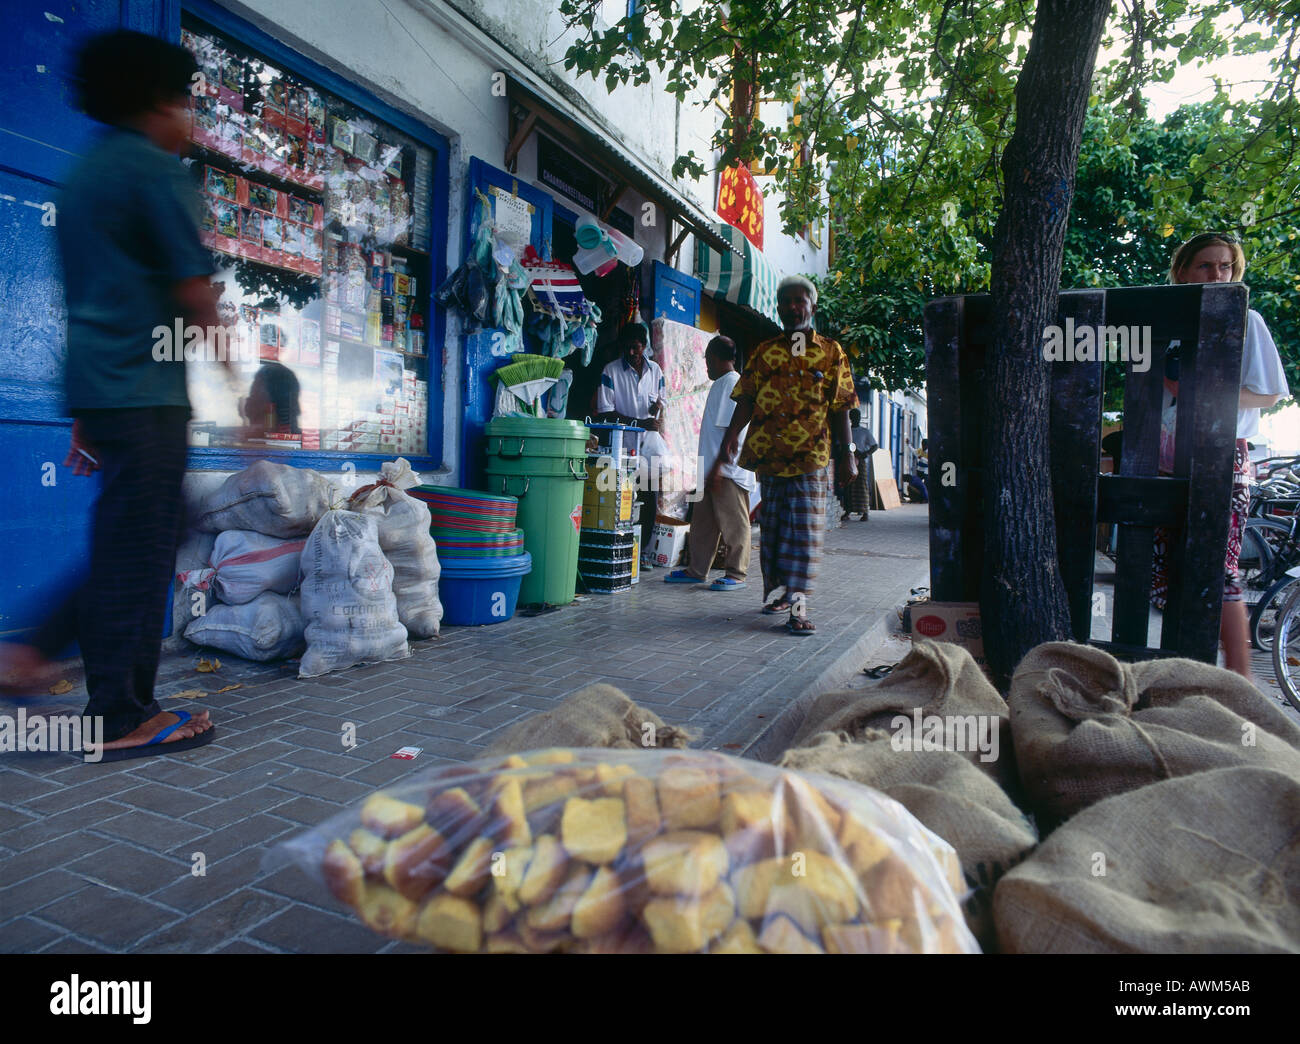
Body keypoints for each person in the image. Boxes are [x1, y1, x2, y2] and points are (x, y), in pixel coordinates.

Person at [0, 30, 224, 758]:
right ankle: (116, 712)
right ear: (158, 104)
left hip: (104, 392)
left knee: (135, 535)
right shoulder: (151, 170)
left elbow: (92, 300)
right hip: (147, 391)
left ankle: (52, 661)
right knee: (143, 544)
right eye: (187, 102)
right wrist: (243, 386)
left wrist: (82, 419)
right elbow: (193, 290)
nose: (191, 119)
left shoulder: (87, 172)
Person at [1154, 231, 1289, 681]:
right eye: (1206, 265)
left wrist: (1203, 394)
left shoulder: (1245, 320)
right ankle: (1182, 672)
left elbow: (1268, 394)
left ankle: (1240, 678)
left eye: (1226, 265)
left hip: (1222, 456)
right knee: (1165, 569)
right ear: (1182, 272)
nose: (1218, 274)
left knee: (1219, 566)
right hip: (1164, 459)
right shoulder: (1164, 325)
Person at [720, 275, 858, 635]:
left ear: (813, 306)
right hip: (769, 456)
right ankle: (781, 593)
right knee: (777, 531)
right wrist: (732, 435)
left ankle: (798, 607)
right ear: (778, 308)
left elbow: (842, 406)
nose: (794, 307)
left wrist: (848, 455)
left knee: (804, 535)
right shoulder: (765, 352)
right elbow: (747, 397)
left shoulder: (831, 352)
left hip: (812, 458)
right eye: (786, 301)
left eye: (801, 300)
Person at [663, 336, 757, 589]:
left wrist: (718, 467)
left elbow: (731, 432)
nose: (707, 366)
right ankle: (697, 569)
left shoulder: (731, 383)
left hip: (726, 471)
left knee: (734, 524)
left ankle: (737, 573)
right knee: (703, 524)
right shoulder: (720, 385)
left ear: (713, 358)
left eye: (707, 360)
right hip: (711, 469)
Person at [595, 321, 666, 567]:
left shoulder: (656, 371)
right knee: (620, 500)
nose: (632, 353)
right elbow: (605, 413)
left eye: (636, 348)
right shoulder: (610, 371)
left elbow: (660, 404)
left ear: (645, 346)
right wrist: (640, 422)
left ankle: (642, 553)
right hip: (620, 448)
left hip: (648, 448)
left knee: (648, 499)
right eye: (627, 348)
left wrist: (656, 411)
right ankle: (619, 553)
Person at [841, 407, 876, 521]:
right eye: (854, 417)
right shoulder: (847, 430)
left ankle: (865, 512)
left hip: (861, 461)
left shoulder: (864, 432)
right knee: (848, 486)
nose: (856, 419)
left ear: (860, 418)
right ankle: (847, 511)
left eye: (858, 417)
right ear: (850, 418)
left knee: (862, 487)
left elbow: (874, 445)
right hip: (848, 459)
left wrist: (866, 453)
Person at [903, 437, 929, 503]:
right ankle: (918, 497)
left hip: (926, 471)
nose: (923, 446)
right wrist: (908, 444)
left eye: (925, 445)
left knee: (926, 485)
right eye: (922, 444)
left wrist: (922, 458)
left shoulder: (930, 452)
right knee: (917, 484)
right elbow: (913, 451)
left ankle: (926, 498)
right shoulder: (920, 450)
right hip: (919, 470)